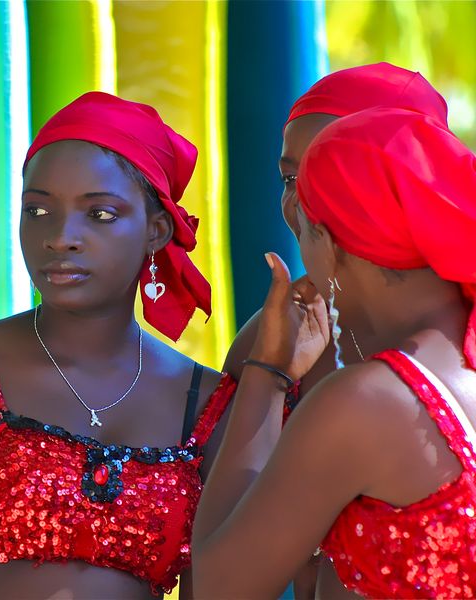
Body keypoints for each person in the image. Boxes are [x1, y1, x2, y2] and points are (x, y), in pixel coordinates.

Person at [0, 92, 236, 599]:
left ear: (156, 230)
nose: (61, 237)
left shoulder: (205, 404)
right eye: (38, 210)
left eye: (100, 214)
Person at [191, 106, 476, 598]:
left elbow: (218, 588)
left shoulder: (368, 400)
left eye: (304, 232)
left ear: (326, 243)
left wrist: (267, 372)